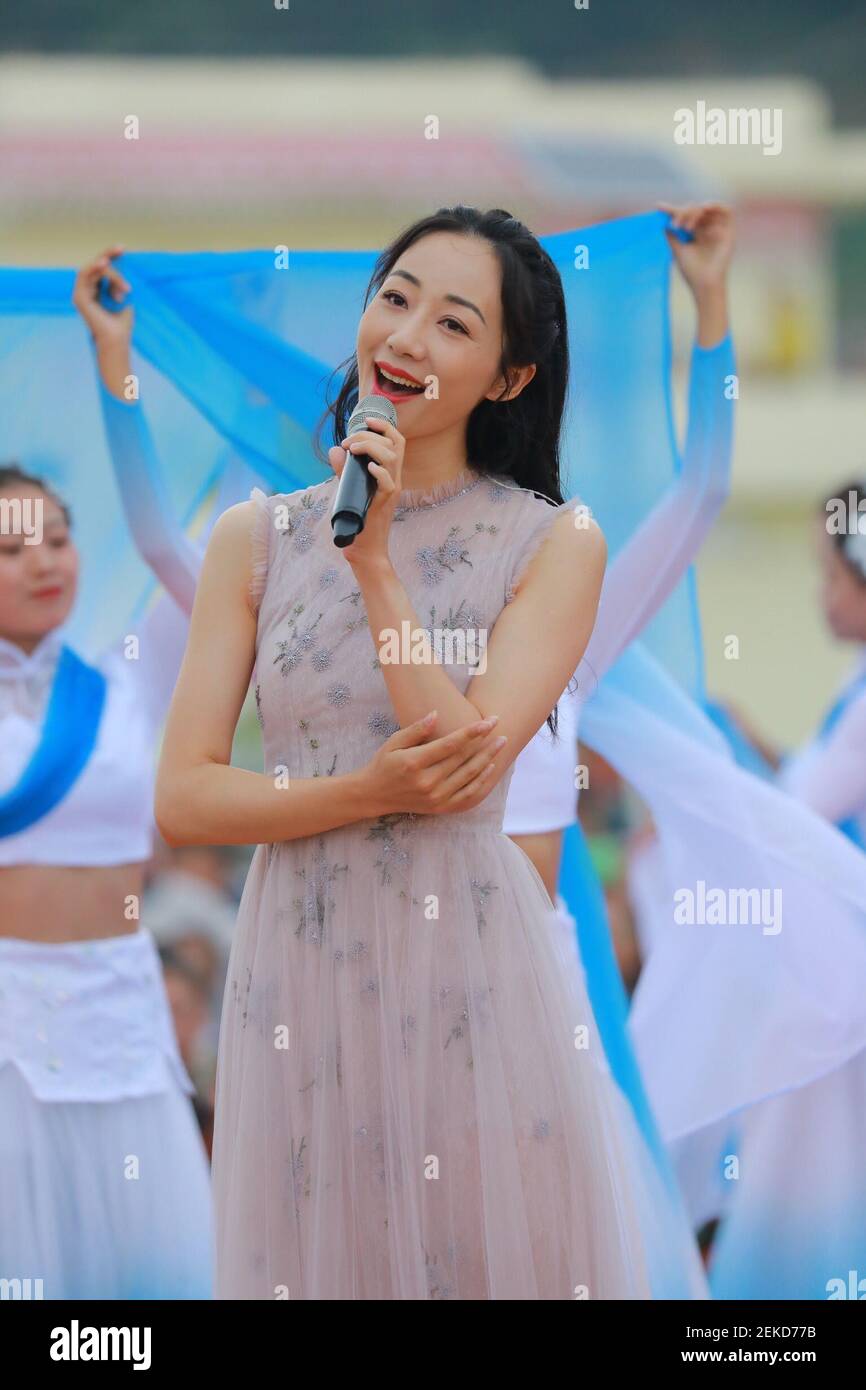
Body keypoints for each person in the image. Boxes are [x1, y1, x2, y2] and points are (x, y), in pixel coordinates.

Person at [149, 204, 712, 1300]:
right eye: (394, 299)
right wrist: (357, 792)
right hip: (298, 969)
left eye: (452, 324)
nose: (404, 338)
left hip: (467, 965)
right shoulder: (252, 540)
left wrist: (375, 567)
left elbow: (465, 770)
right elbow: (185, 795)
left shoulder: (554, 542)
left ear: (506, 378)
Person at [0, 448, 211, 1298]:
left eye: (58, 538)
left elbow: (183, 551)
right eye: (12, 549)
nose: (44, 561)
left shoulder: (131, 678)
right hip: (10, 1021)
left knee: (157, 1277)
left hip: (124, 1008)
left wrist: (121, 365)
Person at [699, 478, 866, 1298]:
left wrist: (704, 762)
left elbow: (798, 812)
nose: (821, 595)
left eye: (831, 575)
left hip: (845, 976)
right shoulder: (856, 690)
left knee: (814, 1152)